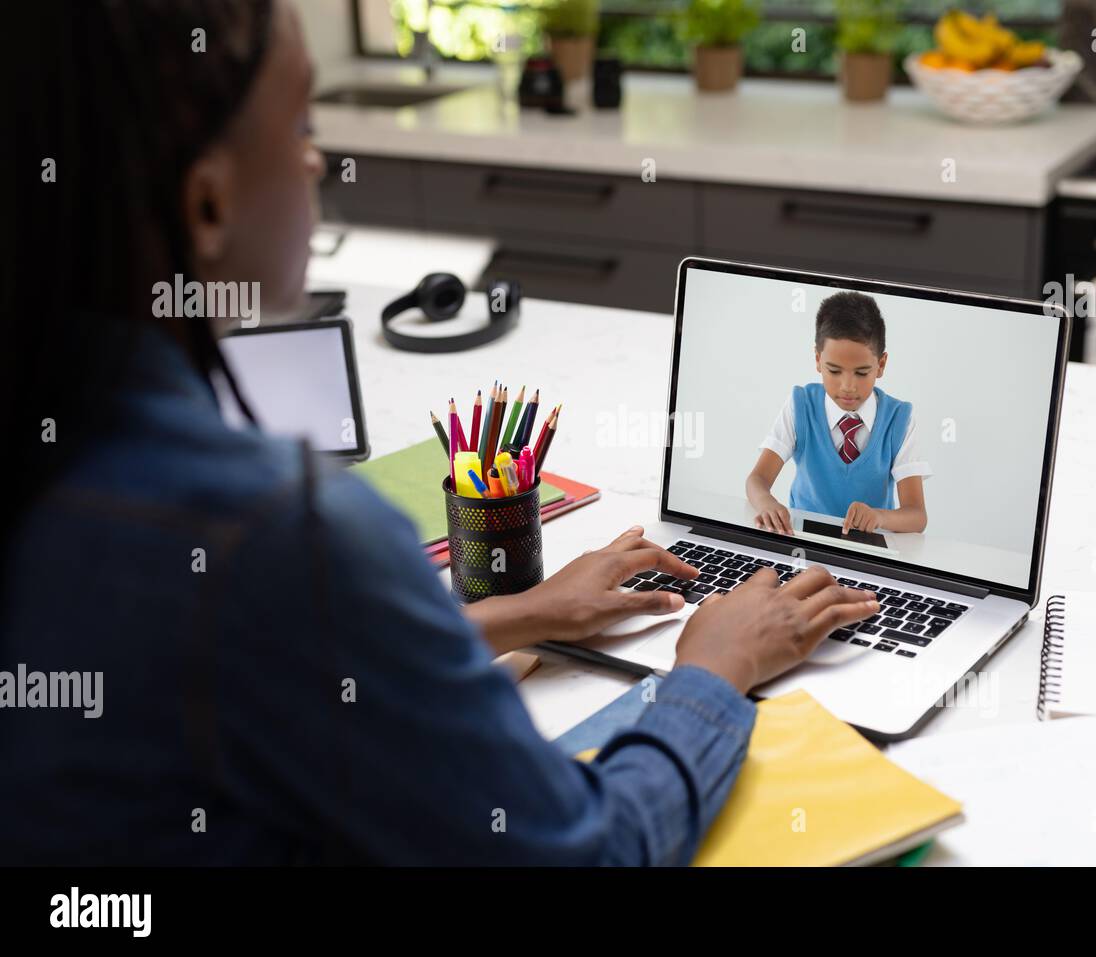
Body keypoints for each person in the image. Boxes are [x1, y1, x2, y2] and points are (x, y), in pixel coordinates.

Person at [0, 0, 880, 865]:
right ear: (208, 205)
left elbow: (269, 674)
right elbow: (588, 851)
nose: (317, 158)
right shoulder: (276, 537)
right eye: (301, 125)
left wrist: (521, 613)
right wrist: (712, 672)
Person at [746, 292, 932, 537]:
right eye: (834, 371)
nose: (847, 386)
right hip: (803, 540)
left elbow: (917, 516)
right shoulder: (800, 404)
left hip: (869, 548)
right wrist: (766, 503)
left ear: (881, 365)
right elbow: (757, 480)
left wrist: (879, 516)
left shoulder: (900, 419)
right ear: (817, 360)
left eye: (862, 372)